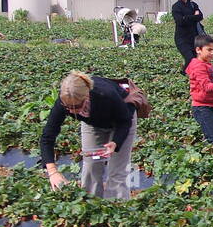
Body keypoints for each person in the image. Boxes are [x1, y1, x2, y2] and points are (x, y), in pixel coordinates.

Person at [40, 70, 139, 199]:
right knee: (91, 166)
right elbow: (47, 136)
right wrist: (52, 172)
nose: (72, 111)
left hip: (121, 121)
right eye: (68, 108)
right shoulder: (63, 103)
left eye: (76, 106)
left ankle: (118, 209)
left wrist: (115, 142)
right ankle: (91, 206)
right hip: (93, 124)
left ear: (86, 96)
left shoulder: (106, 95)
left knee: (117, 171)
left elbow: (124, 121)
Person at [171, 0, 204, 74]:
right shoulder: (176, 7)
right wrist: (193, 16)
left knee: (196, 60)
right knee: (190, 58)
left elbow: (200, 16)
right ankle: (184, 73)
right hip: (181, 39)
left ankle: (188, 74)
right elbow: (180, 22)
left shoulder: (193, 5)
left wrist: (186, 18)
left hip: (194, 38)